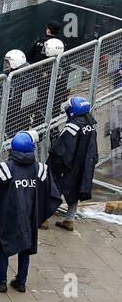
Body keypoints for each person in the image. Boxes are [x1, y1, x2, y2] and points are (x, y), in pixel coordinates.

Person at [0, 131, 60, 294]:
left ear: (12, 149)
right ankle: (21, 281)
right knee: (26, 247)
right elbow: (51, 195)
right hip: (30, 217)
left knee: (3, 247)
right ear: (32, 149)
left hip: (9, 217)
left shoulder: (5, 169)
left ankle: (1, 281)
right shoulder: (40, 169)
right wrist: (39, 214)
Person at [49, 96, 97, 232]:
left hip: (68, 165)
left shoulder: (72, 126)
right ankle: (69, 219)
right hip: (83, 165)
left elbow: (62, 150)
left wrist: (55, 164)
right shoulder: (90, 125)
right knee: (75, 190)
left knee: (52, 187)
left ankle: (43, 219)